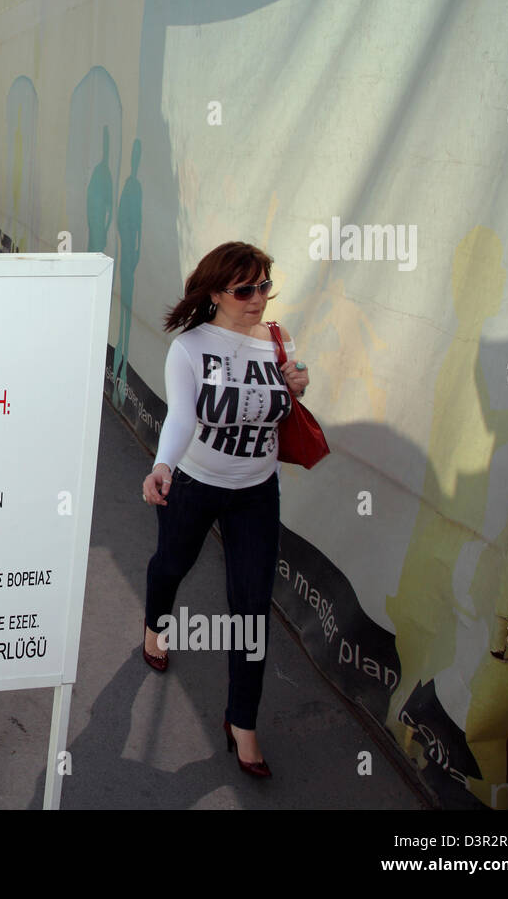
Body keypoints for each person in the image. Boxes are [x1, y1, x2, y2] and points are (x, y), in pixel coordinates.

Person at [140, 241, 310, 780]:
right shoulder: (189, 348)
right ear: (215, 293)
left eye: (265, 285)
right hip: (195, 483)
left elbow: (278, 406)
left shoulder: (277, 341)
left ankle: (242, 723)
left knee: (252, 609)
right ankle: (154, 626)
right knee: (171, 565)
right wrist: (163, 465)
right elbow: (181, 419)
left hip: (257, 492)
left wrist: (296, 387)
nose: (258, 298)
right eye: (245, 290)